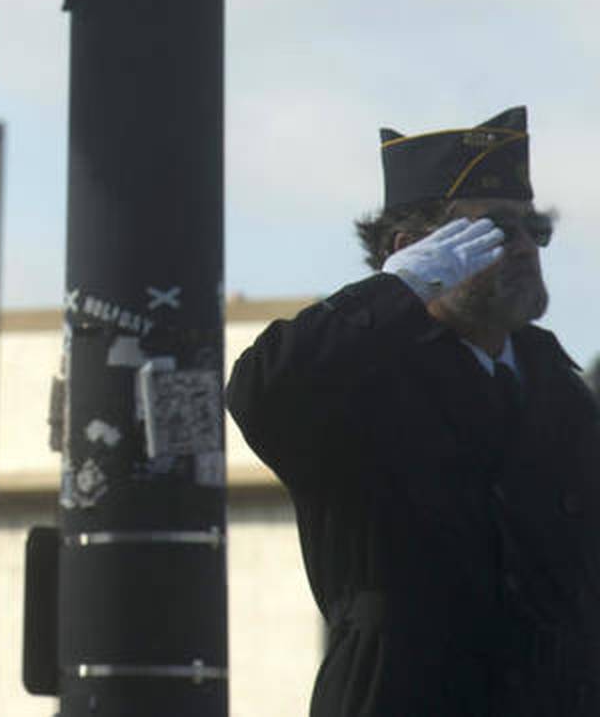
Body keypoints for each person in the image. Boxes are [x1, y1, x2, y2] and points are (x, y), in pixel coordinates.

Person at [227, 106, 600, 715]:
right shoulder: (361, 384)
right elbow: (263, 390)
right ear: (413, 250)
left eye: (536, 231)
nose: (528, 249)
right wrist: (395, 291)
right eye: (499, 232)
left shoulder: (561, 392)